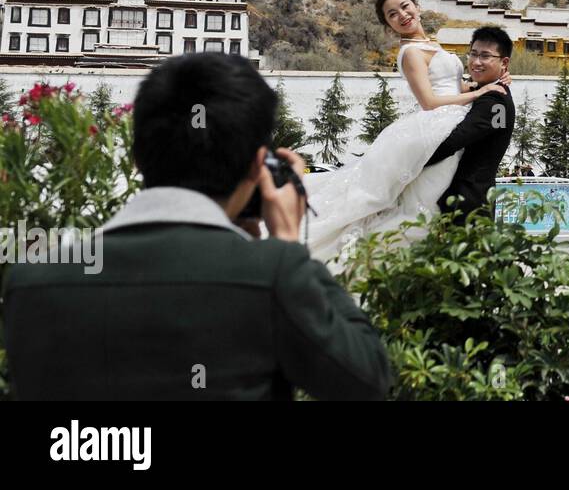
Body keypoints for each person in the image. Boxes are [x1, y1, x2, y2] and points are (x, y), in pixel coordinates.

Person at [0, 52, 392, 400]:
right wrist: (287, 245)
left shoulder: (31, 282)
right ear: (258, 167)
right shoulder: (274, 273)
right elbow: (366, 379)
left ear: (137, 157)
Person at [304, 0, 508, 260]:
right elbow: (429, 100)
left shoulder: (431, 45)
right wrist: (478, 94)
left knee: (429, 197)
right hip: (437, 122)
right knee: (420, 200)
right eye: (392, 14)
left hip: (452, 116)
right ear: (388, 25)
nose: (402, 15)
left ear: (417, 6)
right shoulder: (411, 52)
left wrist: (484, 83)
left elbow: (452, 84)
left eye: (404, 6)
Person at [423, 25, 516, 219]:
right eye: (473, 54)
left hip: (467, 201)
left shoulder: (494, 100)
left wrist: (409, 165)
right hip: (470, 197)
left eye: (485, 56)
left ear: (504, 62)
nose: (476, 62)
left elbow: (452, 142)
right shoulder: (485, 92)